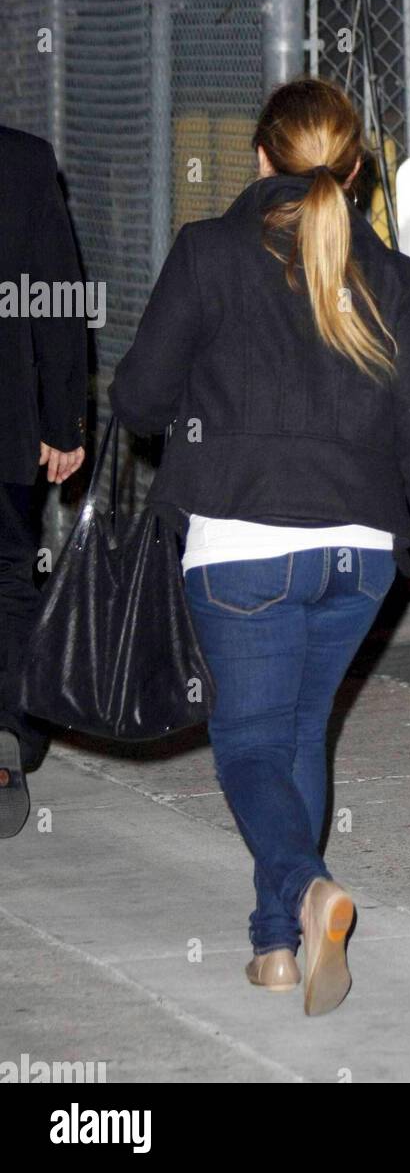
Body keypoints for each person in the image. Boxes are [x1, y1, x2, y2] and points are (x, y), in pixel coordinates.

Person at [110, 78, 410, 1014]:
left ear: (260, 157)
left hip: (240, 545)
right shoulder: (391, 277)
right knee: (295, 736)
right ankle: (276, 945)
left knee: (245, 743)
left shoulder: (207, 254)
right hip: (359, 559)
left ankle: (308, 888)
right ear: (356, 169)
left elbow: (137, 402)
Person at [0, 126, 87, 840]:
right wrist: (63, 420)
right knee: (7, 575)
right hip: (4, 423)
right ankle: (8, 736)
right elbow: (53, 299)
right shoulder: (21, 160)